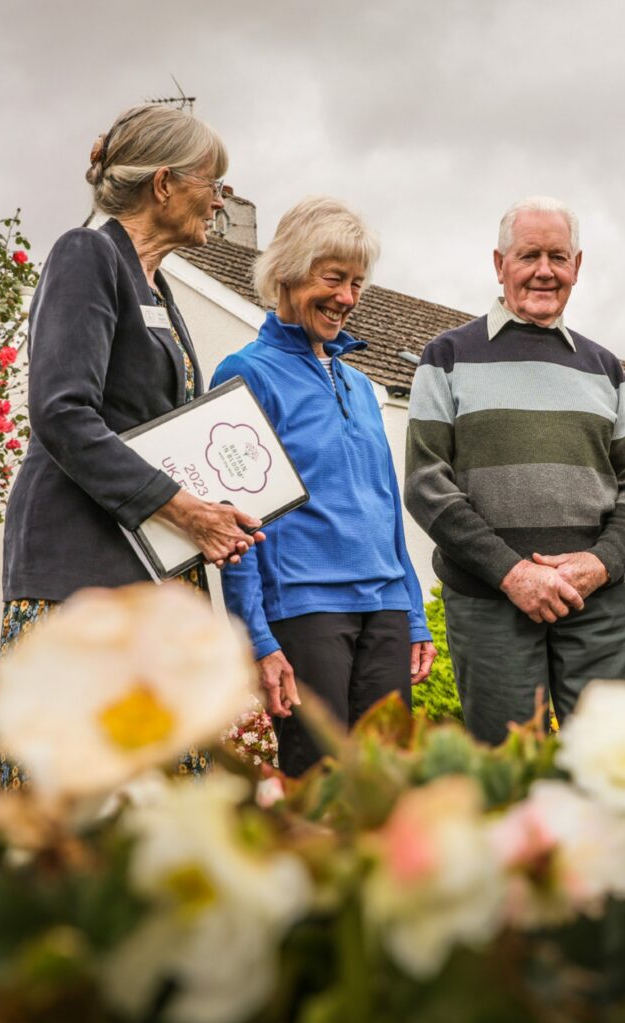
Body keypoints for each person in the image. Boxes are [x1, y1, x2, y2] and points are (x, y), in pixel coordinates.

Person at [0, 106, 262, 784]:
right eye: (214, 183)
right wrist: (185, 510)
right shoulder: (86, 254)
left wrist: (215, 505)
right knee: (79, 797)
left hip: (152, 578)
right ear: (165, 184)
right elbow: (61, 412)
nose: (221, 200)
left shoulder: (159, 288)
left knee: (164, 805)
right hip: (81, 576)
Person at [405, 196, 625, 745]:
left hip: (597, 602)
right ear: (500, 264)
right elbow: (426, 485)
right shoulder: (445, 357)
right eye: (529, 256)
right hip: (490, 602)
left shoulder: (605, 368)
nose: (545, 270)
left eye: (558, 257)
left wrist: (600, 563)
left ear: (577, 266)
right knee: (509, 767)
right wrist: (513, 573)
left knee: (615, 761)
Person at [212, 197, 435, 776]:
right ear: (287, 270)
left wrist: (413, 613)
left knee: (386, 782)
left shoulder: (362, 386)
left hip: (385, 608)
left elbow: (386, 509)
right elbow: (232, 524)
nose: (347, 298)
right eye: (333, 278)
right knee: (318, 785)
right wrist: (256, 638)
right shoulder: (246, 373)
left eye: (357, 283)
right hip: (305, 611)